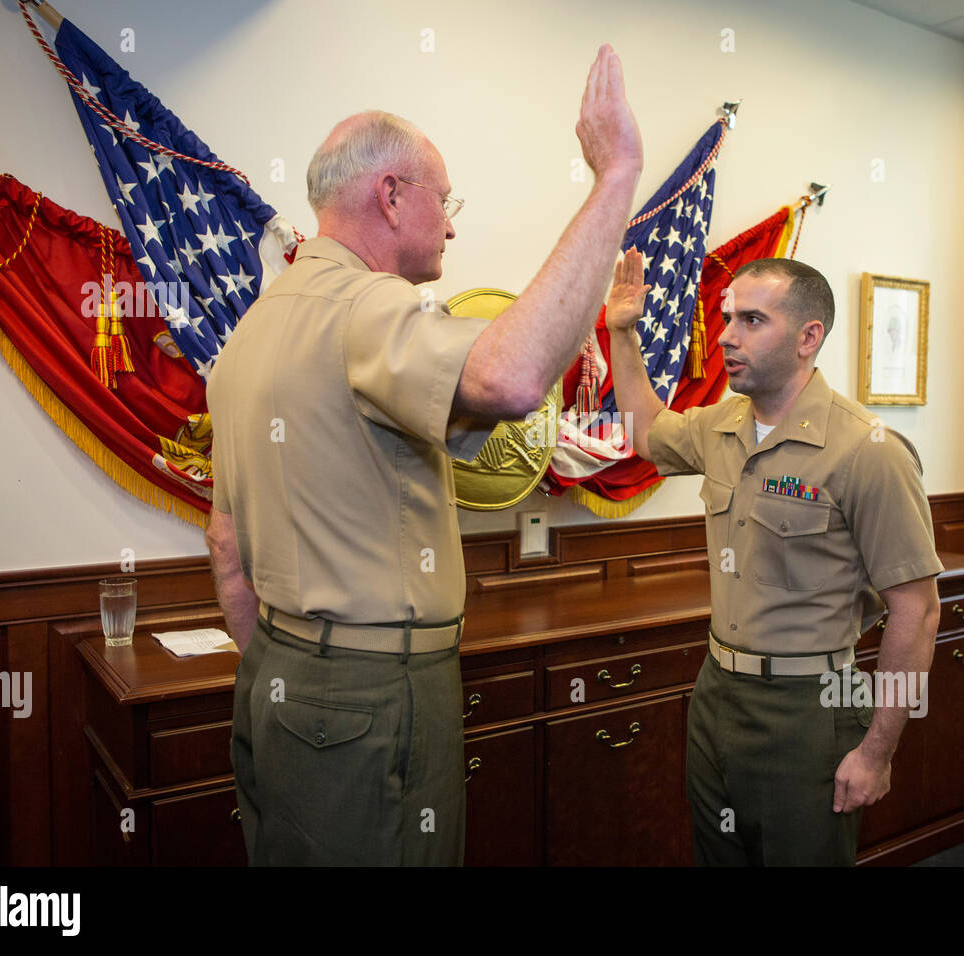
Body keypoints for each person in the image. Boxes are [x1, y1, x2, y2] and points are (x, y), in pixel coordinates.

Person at [204, 45, 643, 865]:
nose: (451, 221)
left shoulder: (253, 330)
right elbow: (511, 378)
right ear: (391, 195)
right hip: (374, 695)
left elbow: (227, 547)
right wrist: (614, 174)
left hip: (278, 675)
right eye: (445, 200)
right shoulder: (363, 306)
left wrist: (298, 669)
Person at [605, 250, 942, 865]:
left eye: (752, 321)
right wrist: (623, 332)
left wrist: (877, 752)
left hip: (809, 710)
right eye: (729, 318)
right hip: (716, 696)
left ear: (809, 336)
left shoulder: (868, 451)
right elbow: (643, 430)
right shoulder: (721, 425)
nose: (728, 337)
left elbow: (916, 612)